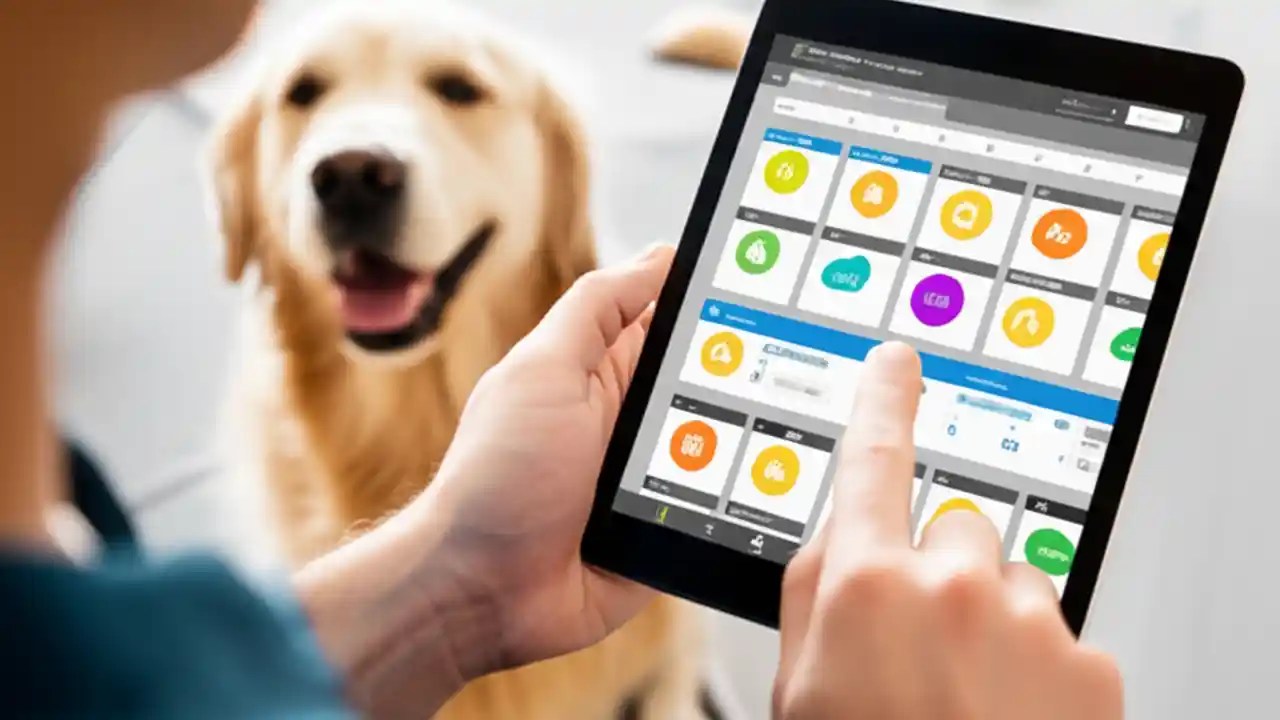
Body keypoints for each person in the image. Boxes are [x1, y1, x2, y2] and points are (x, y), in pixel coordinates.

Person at [0, 4, 1123, 718]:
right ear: (241, 203)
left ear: (561, 203)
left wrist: (452, 582)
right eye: (308, 98)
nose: (359, 155)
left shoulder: (67, 548)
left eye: (456, 90)